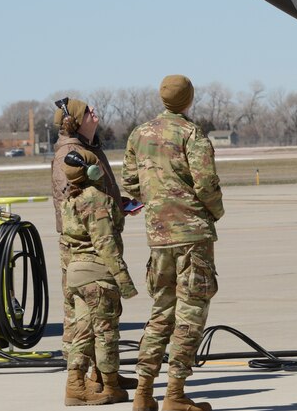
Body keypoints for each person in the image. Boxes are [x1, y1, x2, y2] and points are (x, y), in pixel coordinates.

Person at [122, 75, 224, 411]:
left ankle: (143, 393)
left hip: (159, 236)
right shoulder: (192, 134)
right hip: (191, 235)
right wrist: (215, 211)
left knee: (161, 312)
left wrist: (155, 203)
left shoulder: (140, 134)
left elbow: (130, 182)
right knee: (190, 313)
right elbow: (205, 182)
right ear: (188, 100)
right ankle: (176, 394)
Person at [51, 98, 138, 397]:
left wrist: (117, 206)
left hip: (99, 232)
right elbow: (78, 203)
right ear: (76, 120)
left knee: (104, 315)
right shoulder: (71, 154)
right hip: (86, 246)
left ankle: (103, 373)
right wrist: (103, 214)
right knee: (86, 316)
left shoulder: (89, 147)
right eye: (88, 111)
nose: (94, 113)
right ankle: (85, 379)